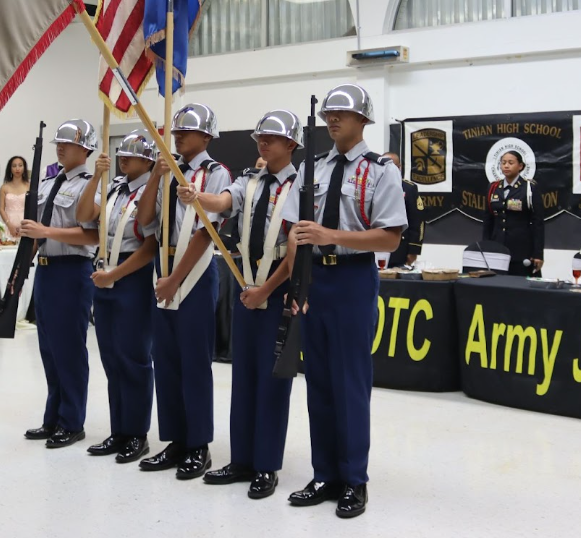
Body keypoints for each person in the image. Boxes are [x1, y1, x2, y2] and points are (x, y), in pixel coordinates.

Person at [281, 84, 406, 519]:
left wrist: (331, 236)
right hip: (315, 279)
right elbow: (294, 232)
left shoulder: (378, 171)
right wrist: (298, 286)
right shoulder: (309, 168)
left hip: (353, 279)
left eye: (343, 113)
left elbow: (389, 235)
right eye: (329, 113)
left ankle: (354, 480)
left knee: (349, 382)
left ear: (364, 120)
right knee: (318, 381)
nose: (333, 119)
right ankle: (324, 474)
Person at [178, 109, 299, 500]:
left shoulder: (300, 186)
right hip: (246, 288)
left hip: (276, 292)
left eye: (271, 139)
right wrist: (199, 197)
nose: (263, 143)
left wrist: (267, 290)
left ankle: (266, 465)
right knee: (243, 379)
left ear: (291, 144)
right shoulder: (249, 180)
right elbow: (223, 201)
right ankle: (243, 458)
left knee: (271, 383)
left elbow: (296, 250)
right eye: (260, 138)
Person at [134, 103, 231, 480]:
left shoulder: (216, 173)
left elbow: (209, 231)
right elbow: (144, 221)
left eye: (186, 132)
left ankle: (198, 445)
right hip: (163, 265)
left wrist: (175, 279)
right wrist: (157, 177)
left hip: (194, 272)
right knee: (166, 362)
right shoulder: (168, 171)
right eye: (176, 132)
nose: (178, 137)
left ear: (206, 137)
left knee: (194, 363)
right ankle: (174, 440)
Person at [75, 129, 159, 465]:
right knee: (111, 356)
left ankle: (137, 433)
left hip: (131, 275)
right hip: (105, 271)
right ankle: (119, 429)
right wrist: (96, 176)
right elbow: (83, 216)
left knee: (134, 358)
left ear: (149, 159)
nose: (124, 158)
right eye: (122, 153)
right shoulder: (115, 188)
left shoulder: (152, 190)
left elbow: (150, 246)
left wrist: (115, 275)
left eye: (132, 154)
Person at [20, 120, 100, 450]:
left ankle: (72, 421)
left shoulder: (89, 185)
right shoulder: (48, 183)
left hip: (72, 270)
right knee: (49, 351)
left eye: (68, 143)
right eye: (58, 142)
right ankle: (52, 417)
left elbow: (93, 235)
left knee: (69, 350)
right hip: (46, 270)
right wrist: (28, 236)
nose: (61, 147)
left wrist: (46, 233)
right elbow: (40, 226)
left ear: (86, 149)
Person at [482, 150, 544, 277]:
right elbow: (488, 220)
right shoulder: (493, 187)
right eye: (503, 163)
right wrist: (485, 248)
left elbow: (538, 223)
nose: (506, 166)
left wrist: (538, 253)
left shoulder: (529, 188)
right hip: (497, 247)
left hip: (521, 249)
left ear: (520, 166)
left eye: (511, 163)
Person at [382, 152, 424, 268]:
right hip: (376, 244)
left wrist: (413, 249)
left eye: (392, 166)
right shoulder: (372, 186)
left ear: (399, 168)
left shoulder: (408, 188)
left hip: (400, 247)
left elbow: (417, 221)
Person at [0, 155, 29, 239]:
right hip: (9, 225)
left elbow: (32, 208)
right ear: (10, 169)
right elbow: (1, 209)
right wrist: (9, 225)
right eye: (14, 166)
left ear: (24, 168)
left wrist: (26, 226)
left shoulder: (29, 187)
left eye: (20, 165)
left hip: (25, 226)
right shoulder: (4, 187)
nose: (17, 168)